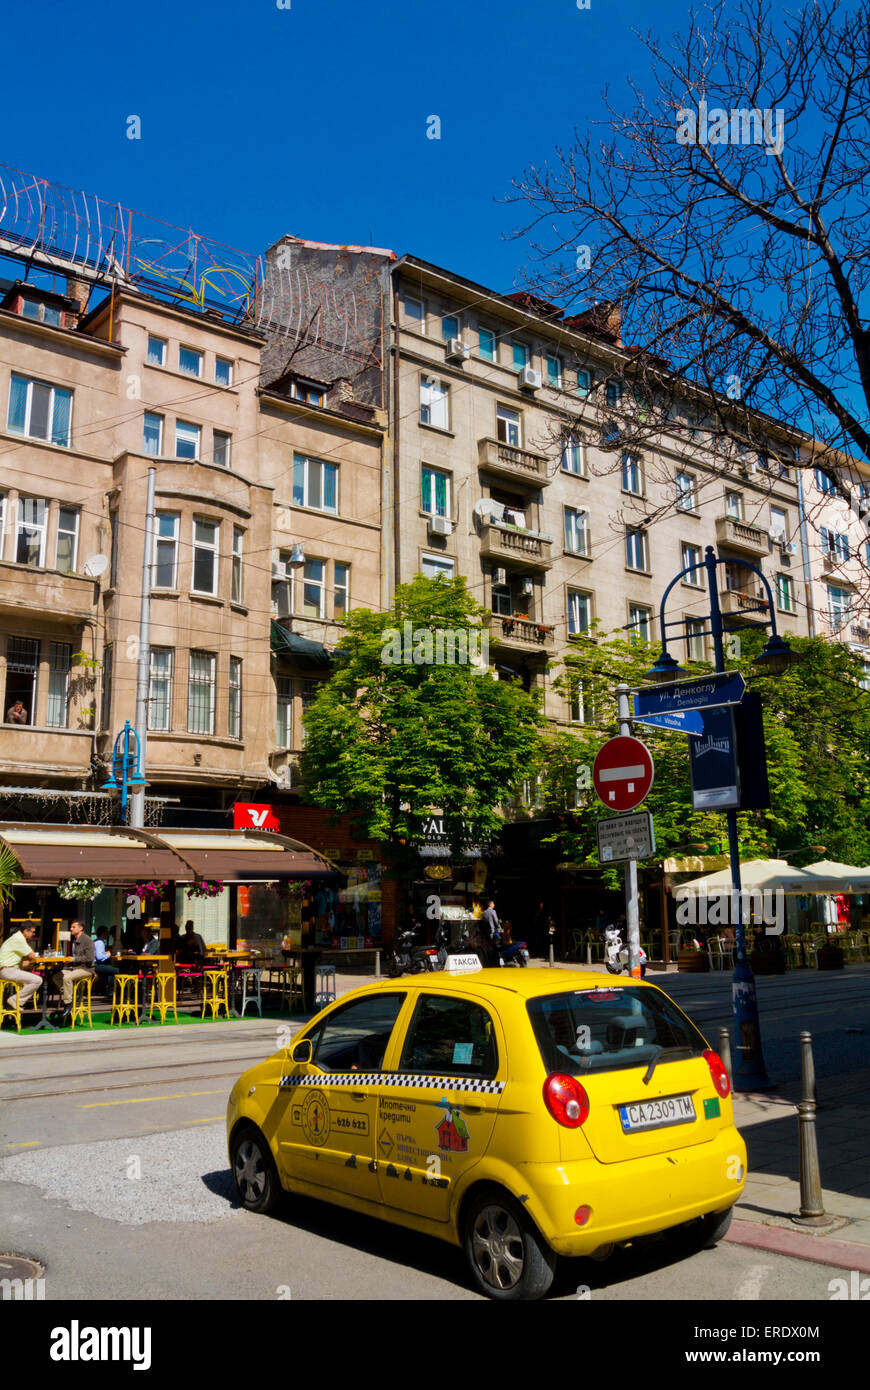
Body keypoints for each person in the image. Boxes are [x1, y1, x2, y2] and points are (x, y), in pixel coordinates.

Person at [50, 920, 95, 1025]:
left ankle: (68, 1003)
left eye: (73, 927)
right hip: (75, 967)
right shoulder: (75, 940)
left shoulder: (87, 940)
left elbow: (89, 958)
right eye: (71, 927)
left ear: (81, 928)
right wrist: (68, 961)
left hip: (86, 969)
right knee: (57, 977)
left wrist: (73, 959)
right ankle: (73, 996)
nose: (71, 929)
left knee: (67, 978)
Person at [0, 923, 43, 1010]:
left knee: (33, 980)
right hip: (8, 970)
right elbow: (33, 956)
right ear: (25, 931)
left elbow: (25, 957)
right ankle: (15, 1000)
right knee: (37, 980)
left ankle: (16, 1000)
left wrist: (28, 961)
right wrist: (41, 956)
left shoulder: (17, 937)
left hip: (7, 969)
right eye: (33, 932)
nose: (34, 934)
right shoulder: (19, 939)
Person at [92, 926, 120, 997]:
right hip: (96, 965)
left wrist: (105, 954)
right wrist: (108, 955)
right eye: (107, 932)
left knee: (110, 969)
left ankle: (106, 990)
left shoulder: (96, 941)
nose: (108, 934)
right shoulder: (100, 942)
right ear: (103, 933)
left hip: (94, 964)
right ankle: (110, 991)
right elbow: (99, 957)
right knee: (116, 970)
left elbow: (98, 954)